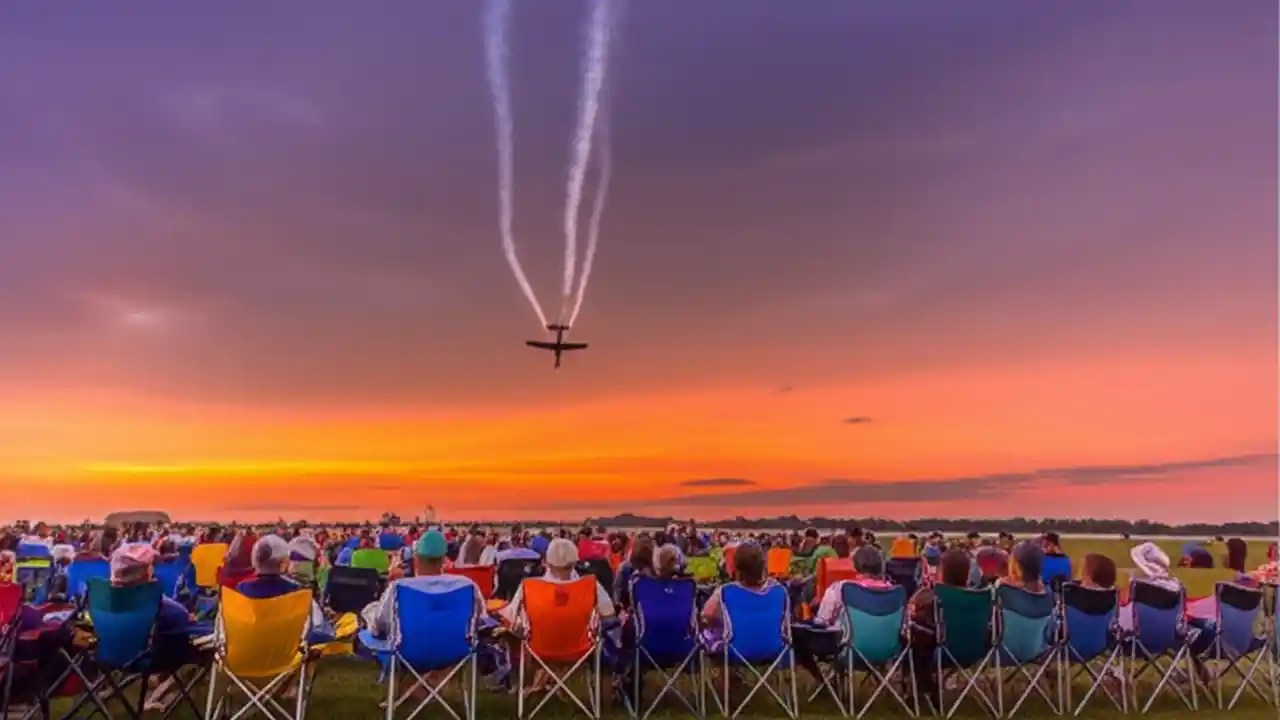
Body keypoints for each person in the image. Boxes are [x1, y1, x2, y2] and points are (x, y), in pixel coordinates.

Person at [363, 531, 486, 643]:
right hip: (456, 653)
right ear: (444, 560)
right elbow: (482, 621)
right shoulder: (467, 586)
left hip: (408, 654)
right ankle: (443, 667)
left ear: (416, 560)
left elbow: (378, 627)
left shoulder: (399, 587)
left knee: (370, 610)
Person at [909, 549, 973, 698]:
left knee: (917, 636)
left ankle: (919, 685)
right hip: (973, 652)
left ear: (941, 572)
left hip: (941, 651)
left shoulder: (936, 597)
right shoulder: (979, 597)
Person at [700, 543, 774, 652]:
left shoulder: (726, 590)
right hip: (773, 650)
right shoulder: (778, 591)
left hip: (735, 651)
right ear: (764, 566)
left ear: (737, 567)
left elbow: (707, 615)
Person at [612, 536, 655, 611]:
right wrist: (617, 603)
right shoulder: (625, 568)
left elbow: (616, 586)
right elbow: (617, 587)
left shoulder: (624, 567)